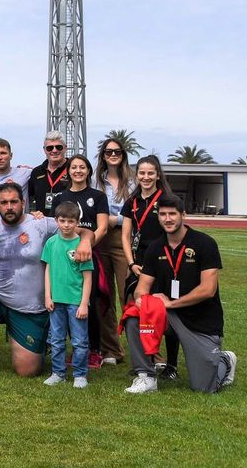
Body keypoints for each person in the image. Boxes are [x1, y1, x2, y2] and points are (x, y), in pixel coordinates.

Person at [0, 184, 92, 380]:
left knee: (27, 370)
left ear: (23, 203)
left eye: (14, 202)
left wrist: (85, 241)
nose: (9, 207)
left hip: (29, 309)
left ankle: (40, 341)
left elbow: (84, 231)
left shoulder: (41, 224)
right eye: (4, 202)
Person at [124, 196, 236, 394]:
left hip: (200, 321)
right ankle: (146, 377)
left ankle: (225, 360)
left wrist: (171, 304)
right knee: (134, 316)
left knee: (203, 388)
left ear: (183, 215)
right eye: (163, 214)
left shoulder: (204, 243)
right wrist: (143, 300)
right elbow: (142, 288)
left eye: (172, 214)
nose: (167, 219)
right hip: (168, 316)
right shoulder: (155, 247)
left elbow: (208, 289)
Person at [122, 154, 181, 378]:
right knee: (138, 311)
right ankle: (145, 361)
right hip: (138, 264)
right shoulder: (132, 202)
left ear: (157, 175)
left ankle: (171, 365)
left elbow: (175, 231)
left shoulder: (166, 199)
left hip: (164, 263)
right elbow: (126, 236)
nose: (145, 177)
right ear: (136, 175)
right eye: (142, 173)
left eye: (150, 173)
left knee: (167, 311)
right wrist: (131, 263)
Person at [51, 154, 109, 368]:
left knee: (88, 301)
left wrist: (86, 245)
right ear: (68, 171)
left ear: (88, 171)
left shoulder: (98, 196)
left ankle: (94, 349)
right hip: (63, 258)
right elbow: (54, 227)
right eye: (74, 167)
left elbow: (102, 228)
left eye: (82, 167)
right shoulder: (60, 197)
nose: (78, 171)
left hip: (89, 256)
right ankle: (72, 348)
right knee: (65, 301)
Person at [42, 201, 94, 388]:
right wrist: (48, 296)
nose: (66, 225)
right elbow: (48, 270)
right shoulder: (51, 243)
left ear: (77, 222)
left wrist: (84, 303)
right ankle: (58, 373)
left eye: (71, 221)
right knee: (56, 340)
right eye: (62, 220)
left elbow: (87, 277)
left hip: (76, 302)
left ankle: (80, 374)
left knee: (79, 341)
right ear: (56, 220)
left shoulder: (81, 246)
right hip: (56, 301)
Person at [93, 136, 135, 366]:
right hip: (100, 240)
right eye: (108, 152)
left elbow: (136, 212)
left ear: (123, 154)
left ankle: (145, 350)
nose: (112, 155)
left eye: (117, 152)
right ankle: (112, 349)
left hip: (123, 239)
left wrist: (115, 219)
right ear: (103, 156)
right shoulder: (95, 180)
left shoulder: (133, 181)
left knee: (128, 295)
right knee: (104, 296)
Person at [28, 130, 70, 215]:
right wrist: (31, 213)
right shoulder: (36, 172)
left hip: (67, 221)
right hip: (42, 221)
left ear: (65, 148)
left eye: (58, 147)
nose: (54, 151)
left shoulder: (73, 171)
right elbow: (28, 197)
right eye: (49, 148)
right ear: (44, 150)